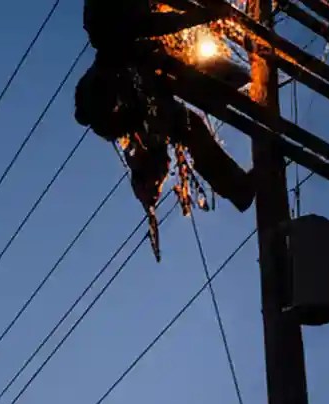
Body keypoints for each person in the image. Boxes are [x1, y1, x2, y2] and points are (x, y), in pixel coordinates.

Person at [75, 0, 254, 260]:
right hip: (123, 86)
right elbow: (153, 24)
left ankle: (238, 188)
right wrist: (202, 15)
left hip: (125, 83)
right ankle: (238, 188)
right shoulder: (117, 45)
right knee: (187, 124)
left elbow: (152, 25)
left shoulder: (119, 43)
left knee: (187, 121)